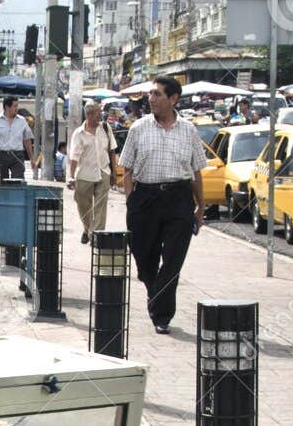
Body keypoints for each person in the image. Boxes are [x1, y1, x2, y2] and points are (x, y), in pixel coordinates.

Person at [119, 75, 208, 334]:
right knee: (144, 258)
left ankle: (162, 315)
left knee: (173, 260)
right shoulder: (139, 128)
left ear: (173, 99)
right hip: (145, 199)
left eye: (157, 94)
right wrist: (130, 201)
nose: (151, 98)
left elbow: (196, 172)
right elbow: (127, 168)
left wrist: (200, 207)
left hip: (179, 199)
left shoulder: (189, 130)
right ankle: (154, 291)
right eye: (150, 94)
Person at [67, 101, 117, 245]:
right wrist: (71, 177)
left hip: (104, 172)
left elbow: (112, 150)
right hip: (84, 174)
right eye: (97, 112)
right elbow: (74, 158)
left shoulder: (106, 128)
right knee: (83, 205)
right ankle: (87, 229)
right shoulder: (79, 133)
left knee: (101, 206)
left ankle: (96, 237)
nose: (100, 115)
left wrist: (113, 173)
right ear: (89, 114)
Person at [0, 95, 34, 180]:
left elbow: (27, 140)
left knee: (19, 181)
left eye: (17, 106)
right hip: (0, 155)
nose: (17, 108)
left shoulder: (22, 120)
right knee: (1, 183)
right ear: (7, 107)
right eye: (15, 106)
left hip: (17, 155)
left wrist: (31, 158)